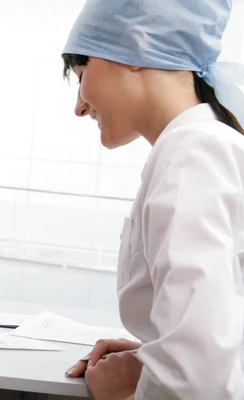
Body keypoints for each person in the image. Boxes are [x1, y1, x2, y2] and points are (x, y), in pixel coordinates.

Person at [61, 0, 244, 398]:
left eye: (81, 74)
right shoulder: (205, 143)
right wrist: (156, 357)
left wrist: (127, 390)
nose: (79, 106)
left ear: (136, 45)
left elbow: (197, 378)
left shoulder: (192, 153)